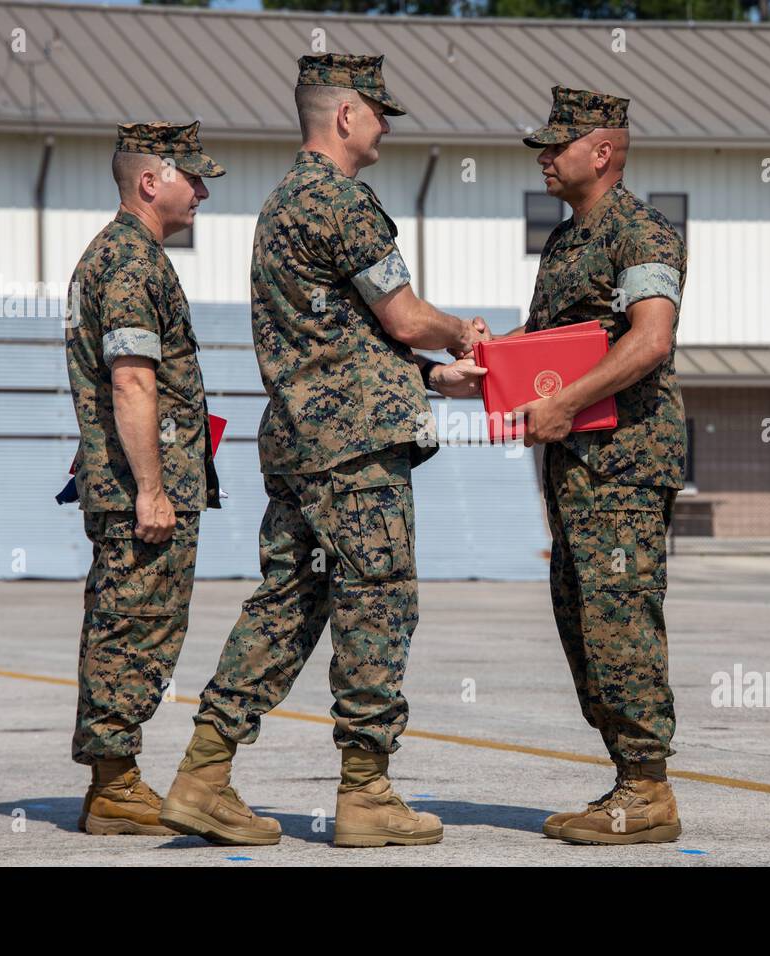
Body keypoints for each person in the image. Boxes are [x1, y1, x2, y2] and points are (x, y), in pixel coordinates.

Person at [159, 54, 488, 848]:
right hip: (359, 453)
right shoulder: (343, 202)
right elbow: (403, 317)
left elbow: (347, 339)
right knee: (377, 603)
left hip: (303, 445)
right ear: (346, 116)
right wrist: (462, 331)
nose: (384, 127)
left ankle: (203, 775)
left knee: (286, 604)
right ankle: (366, 791)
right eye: (379, 113)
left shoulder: (278, 207)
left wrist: (437, 381)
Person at [510, 86, 688, 845]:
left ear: (603, 152)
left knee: (621, 623)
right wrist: (477, 363)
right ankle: (627, 780)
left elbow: (650, 340)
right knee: (583, 624)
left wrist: (561, 404)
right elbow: (544, 344)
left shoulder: (641, 231)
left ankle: (648, 791)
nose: (546, 157)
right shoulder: (565, 241)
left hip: (623, 468)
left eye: (559, 145)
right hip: (574, 471)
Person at [65, 121, 225, 835]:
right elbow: (132, 383)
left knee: (134, 623)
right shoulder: (129, 262)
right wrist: (152, 490)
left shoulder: (124, 256)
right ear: (150, 181)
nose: (202, 192)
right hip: (140, 491)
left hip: (135, 484)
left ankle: (117, 778)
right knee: (133, 627)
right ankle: (114, 785)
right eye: (193, 178)